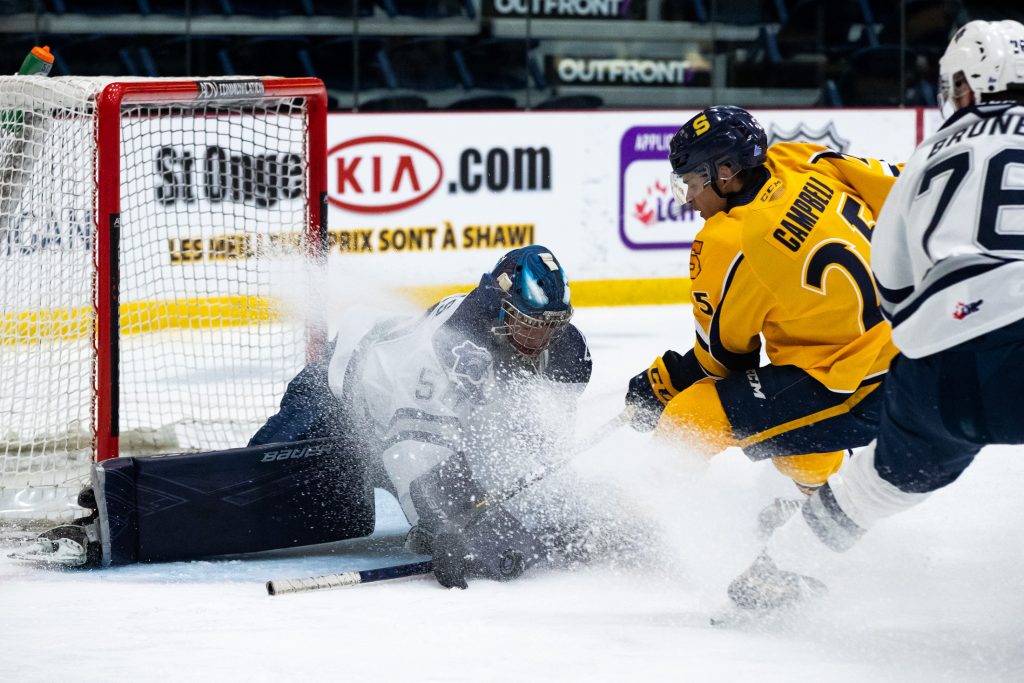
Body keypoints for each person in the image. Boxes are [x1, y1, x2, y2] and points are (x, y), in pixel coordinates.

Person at [17, 246, 596, 590]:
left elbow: (542, 439)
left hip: (419, 423)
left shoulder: (566, 349)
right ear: (499, 306)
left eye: (552, 323)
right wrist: (437, 524)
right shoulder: (447, 353)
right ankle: (115, 516)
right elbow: (410, 453)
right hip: (338, 396)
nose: (541, 336)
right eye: (530, 322)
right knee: (254, 481)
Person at [726, 18, 1024, 612]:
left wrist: (941, 337)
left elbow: (891, 278)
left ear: (965, 85)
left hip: (940, 363)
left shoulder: (929, 153)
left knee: (873, 487)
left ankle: (770, 576)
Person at [624, 105, 902, 504]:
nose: (689, 199)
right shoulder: (800, 160)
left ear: (725, 171)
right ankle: (819, 513)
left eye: (694, 182)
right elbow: (906, 190)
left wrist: (665, 380)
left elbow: (724, 363)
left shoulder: (729, 240)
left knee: (691, 417)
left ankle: (639, 517)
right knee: (793, 436)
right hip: (915, 349)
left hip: (862, 383)